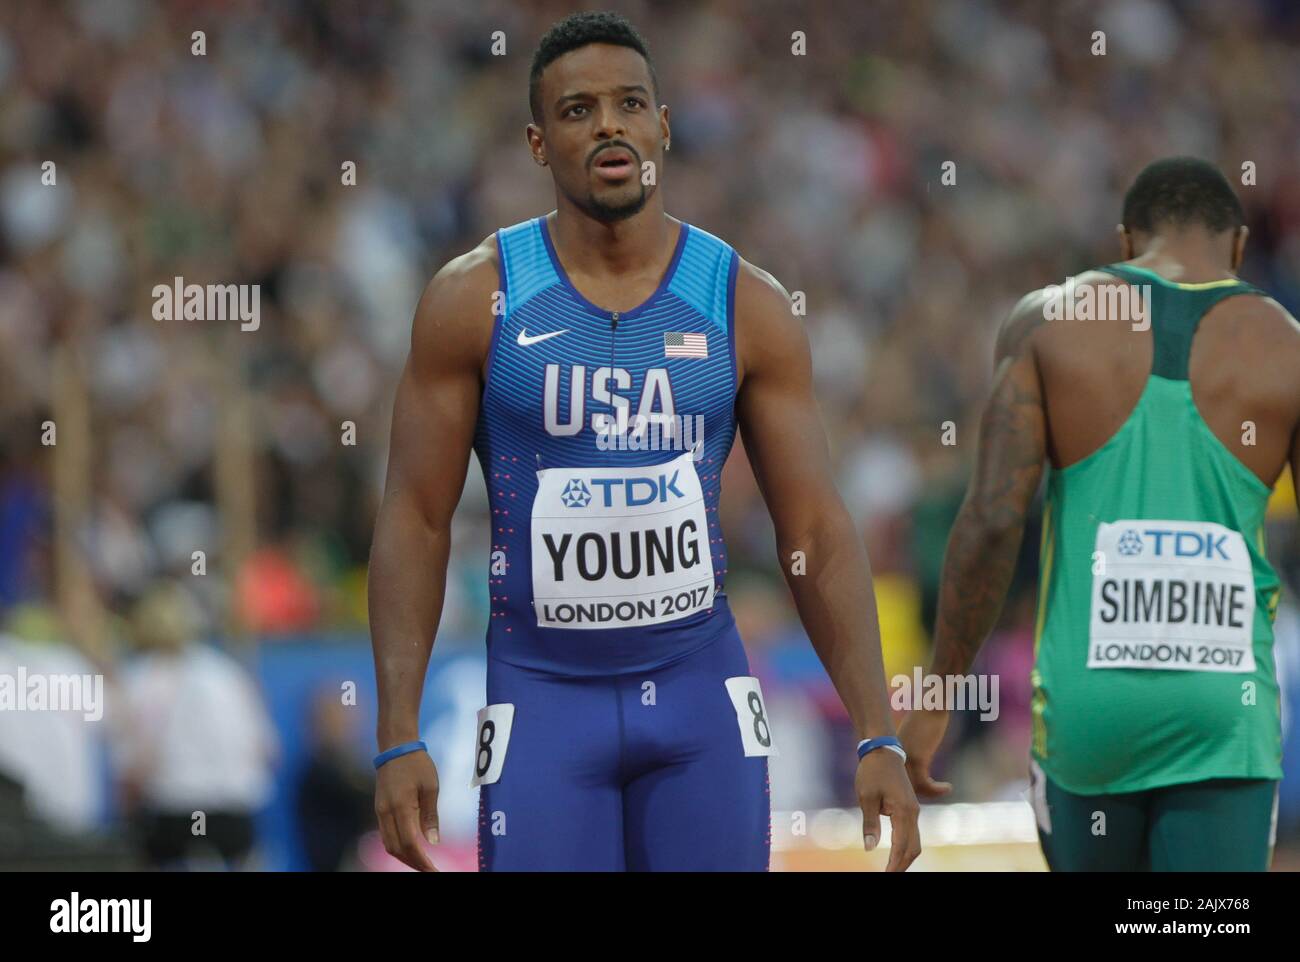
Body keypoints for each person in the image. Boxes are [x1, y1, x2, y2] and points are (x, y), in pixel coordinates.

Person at [368, 11, 919, 871]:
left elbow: (813, 530)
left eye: (630, 103)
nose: (610, 125)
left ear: (662, 124)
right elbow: (415, 520)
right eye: (578, 110)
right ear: (539, 143)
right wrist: (398, 735)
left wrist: (875, 732)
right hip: (542, 702)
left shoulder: (746, 304)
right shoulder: (473, 301)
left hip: (701, 700)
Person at [900, 157, 1300, 871]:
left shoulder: (1050, 319)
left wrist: (939, 691)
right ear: (1239, 248)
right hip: (1225, 713)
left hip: (1087, 711)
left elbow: (993, 520)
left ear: (1125, 242)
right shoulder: (1285, 347)